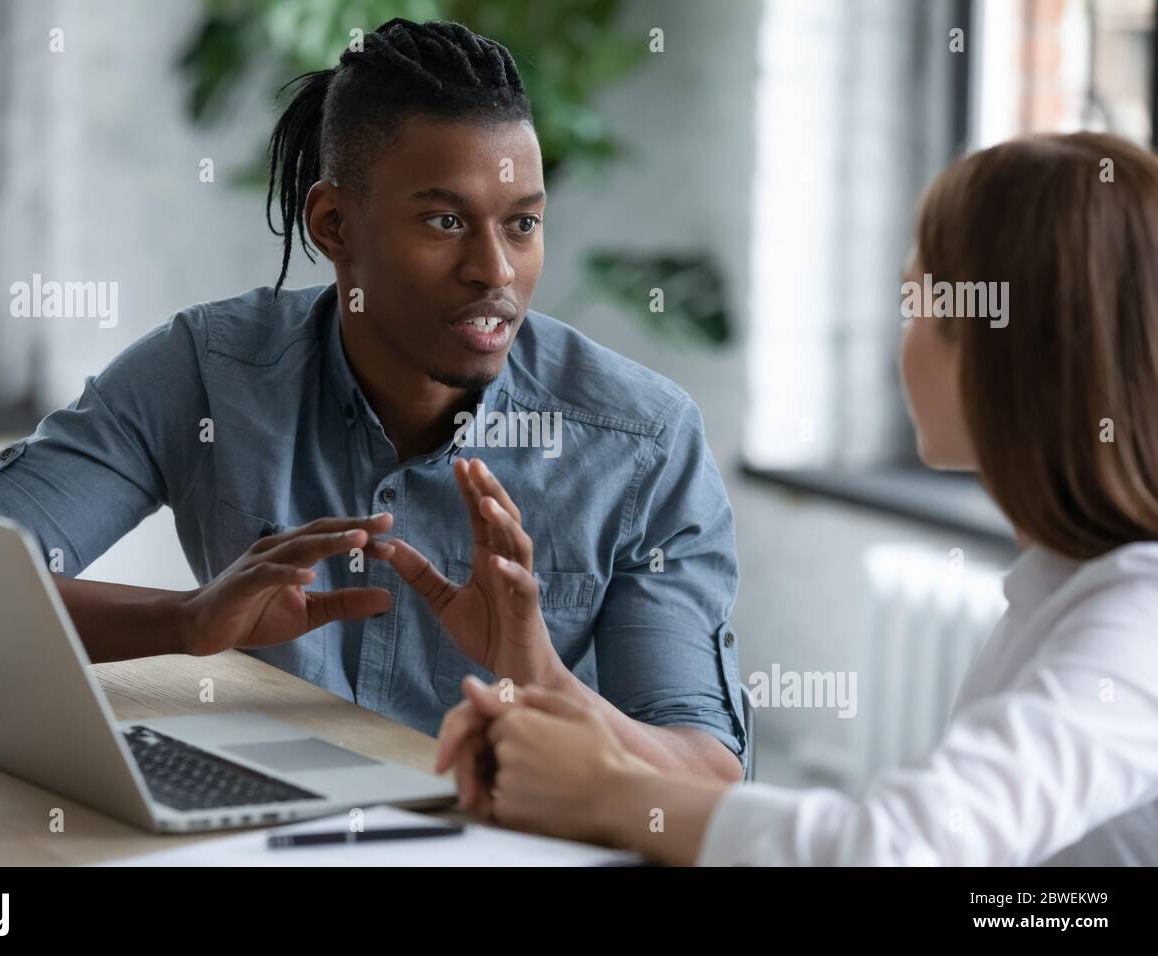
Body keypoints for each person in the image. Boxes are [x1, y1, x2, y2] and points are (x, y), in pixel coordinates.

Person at [0, 18, 746, 781]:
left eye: (521, 222)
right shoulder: (206, 370)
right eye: (444, 221)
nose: (495, 271)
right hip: (257, 834)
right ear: (334, 226)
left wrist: (541, 673)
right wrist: (184, 621)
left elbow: (704, 775)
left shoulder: (642, 443)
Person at [435, 131, 1158, 865]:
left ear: (1010, 353)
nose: (897, 347)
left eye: (917, 308)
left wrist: (605, 793)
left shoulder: (1136, 625)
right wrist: (552, 704)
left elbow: (892, 850)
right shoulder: (1065, 591)